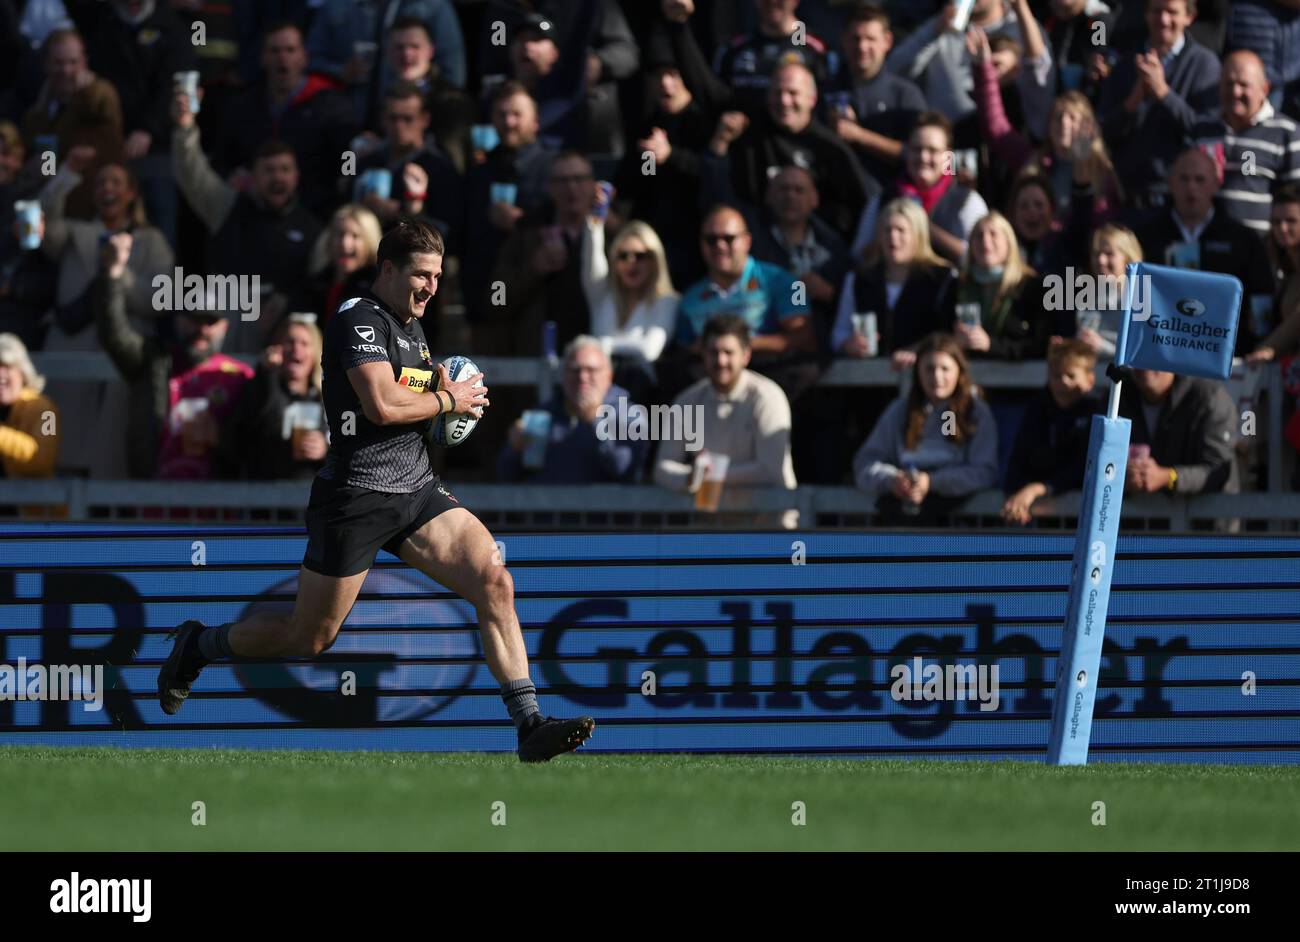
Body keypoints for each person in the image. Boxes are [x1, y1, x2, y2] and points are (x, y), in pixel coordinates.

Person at [154, 219, 596, 763]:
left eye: (436, 276)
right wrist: (448, 401)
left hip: (415, 490)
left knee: (494, 581)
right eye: (421, 275)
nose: (432, 286)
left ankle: (529, 725)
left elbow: (409, 390)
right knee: (309, 637)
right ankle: (198, 645)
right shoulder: (357, 320)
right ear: (387, 269)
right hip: (355, 497)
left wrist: (440, 385)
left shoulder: (411, 324)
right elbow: (382, 405)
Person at [39, 151, 173, 479]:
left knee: (111, 455)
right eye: (100, 182)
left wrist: (116, 274)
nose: (106, 188)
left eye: (116, 182)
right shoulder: (76, 233)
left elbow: (161, 298)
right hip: (71, 348)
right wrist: (66, 173)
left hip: (123, 356)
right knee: (66, 443)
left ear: (131, 194)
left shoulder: (152, 241)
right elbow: (42, 221)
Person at [94, 231, 255, 481]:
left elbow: (259, 443)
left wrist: (220, 439)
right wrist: (113, 275)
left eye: (210, 322)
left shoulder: (242, 377)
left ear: (224, 327)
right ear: (179, 321)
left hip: (223, 508)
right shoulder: (154, 361)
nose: (202, 329)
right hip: (154, 503)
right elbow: (113, 334)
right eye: (194, 319)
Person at [171, 87, 322, 353]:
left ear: (297, 176)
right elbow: (191, 173)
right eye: (269, 170)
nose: (277, 178)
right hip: (226, 324)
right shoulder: (227, 205)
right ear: (253, 175)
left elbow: (316, 283)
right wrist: (185, 127)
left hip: (279, 334)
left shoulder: (311, 226)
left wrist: (286, 302)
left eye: (285, 170)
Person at [653, 314, 798, 528]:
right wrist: (689, 477)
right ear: (703, 355)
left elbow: (770, 470)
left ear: (746, 355)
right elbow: (662, 468)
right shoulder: (687, 400)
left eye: (728, 353)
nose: (721, 361)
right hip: (712, 532)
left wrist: (710, 474)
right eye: (713, 352)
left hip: (769, 528)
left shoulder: (767, 397)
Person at [706, 61, 871, 244]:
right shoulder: (748, 137)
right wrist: (720, 142)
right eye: (777, 93)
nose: (784, 101)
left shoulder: (832, 149)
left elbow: (859, 207)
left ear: (812, 99)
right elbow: (720, 192)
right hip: (758, 249)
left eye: (793, 93)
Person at [852, 331, 999, 525]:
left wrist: (932, 482)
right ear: (918, 371)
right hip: (903, 516)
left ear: (959, 371)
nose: (937, 376)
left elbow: (984, 472)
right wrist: (894, 479)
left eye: (945, 369)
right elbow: (865, 464)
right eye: (929, 368)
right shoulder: (900, 411)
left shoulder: (976, 412)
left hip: (956, 521)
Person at [1134, 146, 1273, 352]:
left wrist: (1259, 342)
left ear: (1216, 184)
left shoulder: (1242, 239)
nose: (1191, 187)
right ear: (1170, 183)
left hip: (1225, 351)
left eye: (1199, 180)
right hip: (1161, 350)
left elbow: (1261, 300)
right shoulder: (1145, 236)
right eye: (1184, 179)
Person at [214, 21, 356, 219]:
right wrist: (232, 176)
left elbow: (349, 162)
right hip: (251, 214)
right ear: (263, 58)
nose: (283, 58)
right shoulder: (242, 107)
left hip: (315, 215)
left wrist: (339, 185)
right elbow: (221, 159)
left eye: (290, 50)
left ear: (304, 57)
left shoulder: (331, 107)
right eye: (275, 50)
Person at [1098, 0, 1221, 211]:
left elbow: (1207, 132)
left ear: (1189, 17)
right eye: (1157, 11)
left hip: (1180, 205)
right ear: (1146, 14)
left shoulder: (1205, 64)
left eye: (1172, 12)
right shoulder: (1125, 64)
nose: (1164, 20)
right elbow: (1104, 131)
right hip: (1128, 199)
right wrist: (1134, 99)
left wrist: (1163, 92)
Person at [498, 336, 647, 483]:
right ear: (563, 374)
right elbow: (507, 474)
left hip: (603, 506)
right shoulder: (544, 413)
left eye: (591, 370)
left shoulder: (629, 415)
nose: (582, 377)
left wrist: (595, 420)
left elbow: (625, 471)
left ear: (609, 375)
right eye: (575, 370)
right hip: (547, 505)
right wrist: (515, 449)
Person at [850, 111, 989, 265]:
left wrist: (926, 228)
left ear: (947, 157)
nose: (923, 157)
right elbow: (858, 255)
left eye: (932, 150)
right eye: (917, 149)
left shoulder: (966, 201)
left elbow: (981, 256)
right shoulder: (884, 200)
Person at [1190, 50, 1300, 236]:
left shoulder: (1287, 133)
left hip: (1262, 253)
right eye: (1229, 84)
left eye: (1244, 84)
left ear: (1264, 89)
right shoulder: (1202, 130)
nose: (1235, 92)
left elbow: (1294, 200)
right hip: (1207, 247)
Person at [19, 27, 122, 220]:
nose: (66, 71)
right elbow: (45, 157)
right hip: (55, 210)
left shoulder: (99, 95)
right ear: (46, 64)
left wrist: (86, 94)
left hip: (96, 209)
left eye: (73, 62)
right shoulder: (40, 112)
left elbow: (109, 132)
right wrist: (33, 168)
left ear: (84, 62)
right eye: (58, 63)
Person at [1001, 338, 1103, 525]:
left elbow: (1082, 467)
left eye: (1071, 376)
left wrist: (1038, 489)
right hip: (1040, 515)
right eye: (1056, 375)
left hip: (1083, 518)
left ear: (1090, 379)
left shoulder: (1098, 411)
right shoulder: (1038, 407)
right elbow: (1020, 454)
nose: (1063, 382)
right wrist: (1014, 496)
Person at [215, 313, 328, 481]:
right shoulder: (262, 386)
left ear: (315, 353)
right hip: (263, 499)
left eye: (305, 343)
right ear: (277, 349)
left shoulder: (325, 398)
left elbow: (348, 450)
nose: (296, 349)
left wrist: (325, 450)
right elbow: (252, 427)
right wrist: (267, 374)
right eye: (289, 342)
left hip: (307, 501)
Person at [824, 3, 927, 186]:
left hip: (889, 199)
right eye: (856, 38)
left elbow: (917, 153)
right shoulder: (826, 89)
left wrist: (859, 135)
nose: (862, 47)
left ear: (887, 41)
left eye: (870, 39)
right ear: (844, 40)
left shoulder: (905, 95)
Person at [581, 217, 679, 402]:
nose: (631, 262)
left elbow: (650, 349)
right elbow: (590, 262)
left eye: (640, 256)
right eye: (623, 256)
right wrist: (595, 221)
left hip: (641, 400)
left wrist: (604, 345)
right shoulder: (602, 296)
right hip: (596, 398)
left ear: (654, 260)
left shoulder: (668, 301)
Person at [1119, 367, 1240, 495]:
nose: (1144, 363)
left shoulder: (1209, 397)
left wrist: (1168, 477)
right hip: (1142, 512)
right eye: (1138, 352)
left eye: (1155, 352)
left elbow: (1219, 471)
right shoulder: (1117, 397)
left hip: (1206, 512)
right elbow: (1100, 464)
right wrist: (1120, 475)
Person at [949, 212, 1048, 361]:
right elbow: (938, 336)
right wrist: (953, 341)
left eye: (993, 234)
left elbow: (1040, 344)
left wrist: (991, 345)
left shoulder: (1031, 287)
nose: (985, 241)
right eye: (979, 235)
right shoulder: (957, 286)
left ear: (1009, 242)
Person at [1056, 223, 1143, 358]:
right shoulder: (1086, 297)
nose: (1101, 260)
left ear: (1128, 257)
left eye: (1109, 254)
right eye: (1096, 254)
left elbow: (1143, 356)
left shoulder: (1141, 299)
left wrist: (1102, 347)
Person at [1248, 182, 1300, 366]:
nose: (1282, 228)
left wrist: (1268, 348)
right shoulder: (1285, 271)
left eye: (1291, 221)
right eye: (1276, 222)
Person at [307, 205, 382, 331]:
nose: (345, 243)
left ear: (369, 240)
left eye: (355, 236)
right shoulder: (315, 284)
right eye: (340, 234)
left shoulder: (377, 287)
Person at [0, 332, 59, 481]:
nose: (1, 375)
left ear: (23, 372)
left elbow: (44, 458)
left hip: (37, 503)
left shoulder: (47, 412)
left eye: (7, 367)